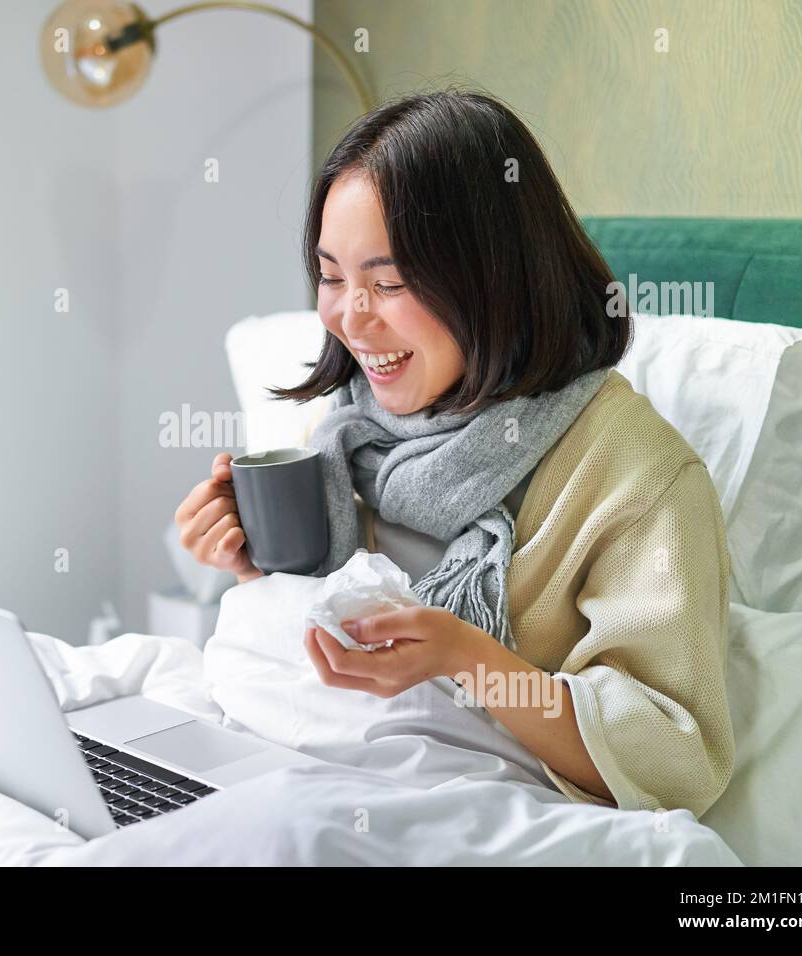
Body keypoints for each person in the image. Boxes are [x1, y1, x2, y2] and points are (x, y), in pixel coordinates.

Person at [173, 89, 734, 818]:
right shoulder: (350, 432)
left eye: (388, 282)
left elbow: (677, 752)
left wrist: (468, 659)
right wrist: (259, 565)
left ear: (494, 275)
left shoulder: (637, 475)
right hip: (292, 782)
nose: (350, 316)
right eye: (333, 277)